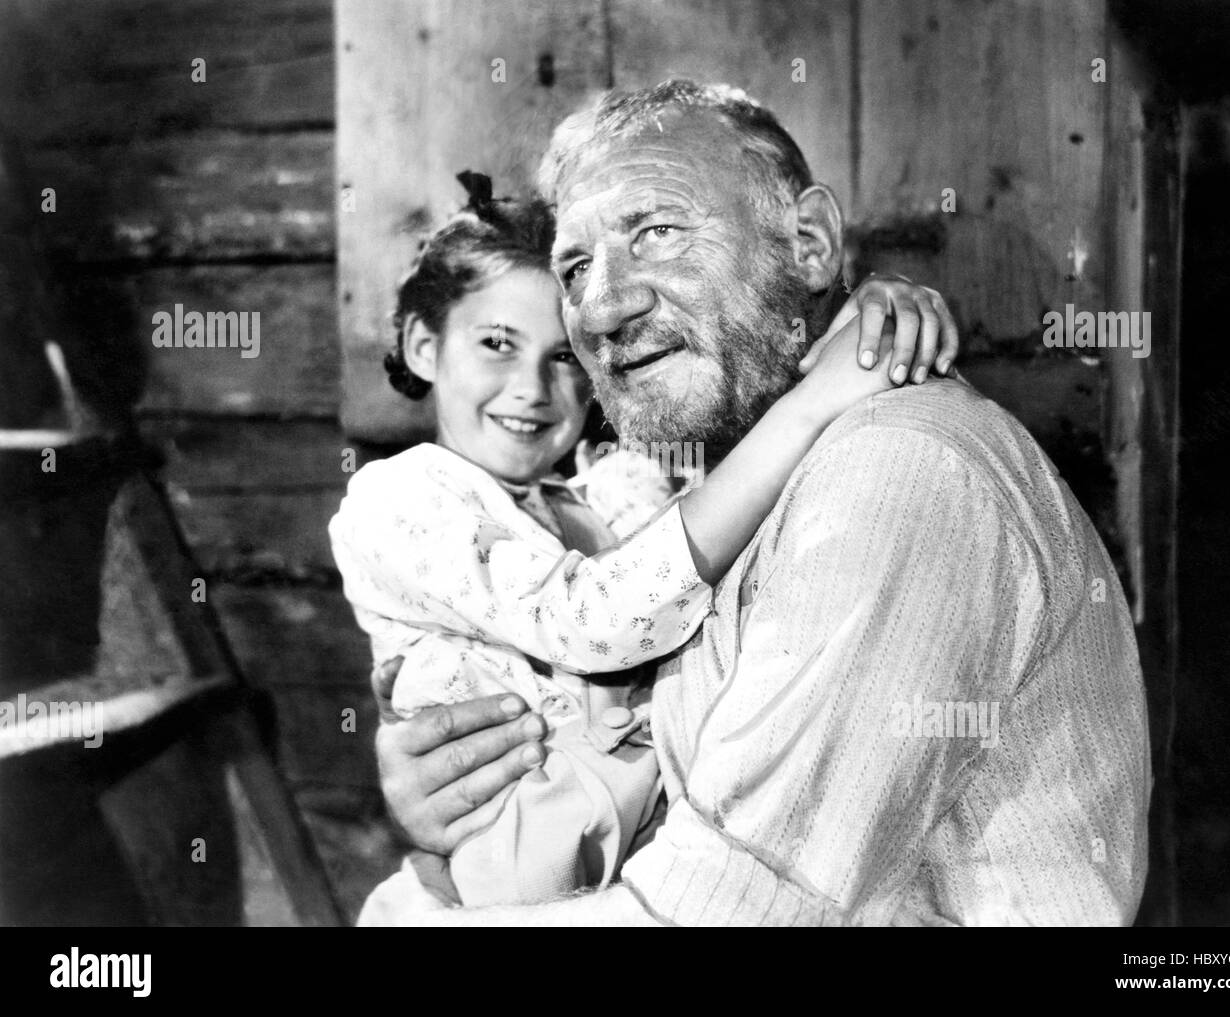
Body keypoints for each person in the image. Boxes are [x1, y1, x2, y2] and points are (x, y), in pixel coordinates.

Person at [374, 80, 1152, 926]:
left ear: (809, 241)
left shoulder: (898, 469)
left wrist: (409, 916)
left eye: (659, 231)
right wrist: (474, 789)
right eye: (575, 265)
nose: (601, 306)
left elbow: (725, 913)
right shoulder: (729, 486)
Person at [330, 170, 960, 915]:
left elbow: (732, 552)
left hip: (642, 860)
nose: (532, 386)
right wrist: (810, 408)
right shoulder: (398, 499)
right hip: (499, 891)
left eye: (563, 356)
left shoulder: (604, 493)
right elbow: (596, 617)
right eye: (496, 343)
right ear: (424, 346)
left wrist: (869, 317)